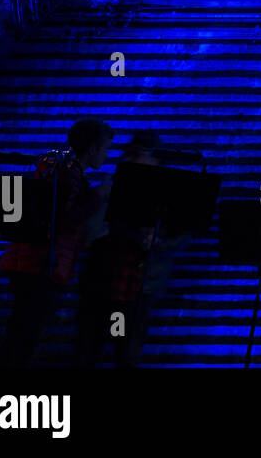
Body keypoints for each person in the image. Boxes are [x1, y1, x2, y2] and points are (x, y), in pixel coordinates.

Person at [0, 118, 112, 366]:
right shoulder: (68, 174)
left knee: (21, 329)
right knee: (26, 333)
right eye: (105, 148)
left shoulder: (63, 170)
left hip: (33, 262)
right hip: (42, 264)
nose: (106, 155)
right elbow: (64, 216)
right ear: (92, 148)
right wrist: (99, 195)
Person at [76, 131, 161, 368]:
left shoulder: (161, 198)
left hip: (134, 288)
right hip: (101, 283)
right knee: (88, 348)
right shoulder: (108, 189)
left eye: (140, 156)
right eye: (130, 155)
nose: (131, 161)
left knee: (125, 352)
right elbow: (88, 234)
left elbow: (171, 239)